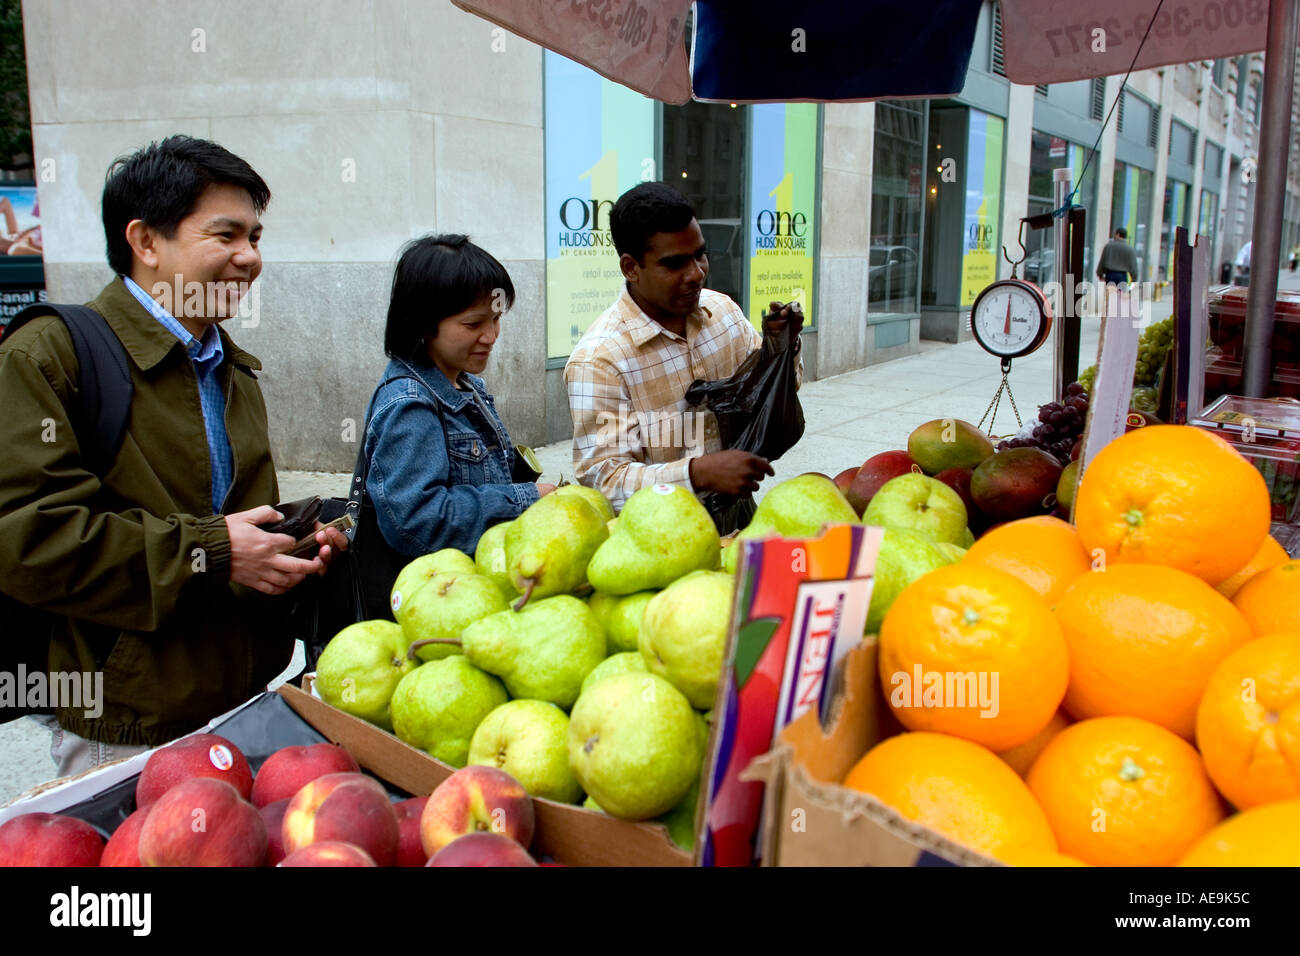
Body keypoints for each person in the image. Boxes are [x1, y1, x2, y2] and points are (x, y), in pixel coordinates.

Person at [0, 136, 347, 776]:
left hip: (247, 700)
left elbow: (230, 523)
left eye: (257, 236)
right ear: (146, 241)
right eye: (226, 235)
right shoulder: (47, 356)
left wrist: (293, 544)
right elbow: (29, 542)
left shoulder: (232, 370)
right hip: (133, 722)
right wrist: (215, 551)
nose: (250, 258)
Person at [565, 182, 802, 525]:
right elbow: (604, 482)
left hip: (740, 516)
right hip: (657, 537)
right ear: (631, 267)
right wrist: (696, 474)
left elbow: (773, 398)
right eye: (675, 264)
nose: (697, 273)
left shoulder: (723, 314)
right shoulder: (600, 362)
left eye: (700, 255)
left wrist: (781, 353)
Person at [362, 234, 554, 559]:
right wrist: (526, 498)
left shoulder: (467, 387)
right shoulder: (410, 404)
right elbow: (417, 521)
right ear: (423, 323)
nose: (490, 336)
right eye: (473, 323)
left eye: (496, 319)